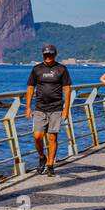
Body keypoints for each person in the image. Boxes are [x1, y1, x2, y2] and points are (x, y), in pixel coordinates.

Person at [25, 44, 71, 176]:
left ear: (55, 54)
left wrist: (66, 109)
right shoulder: (37, 69)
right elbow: (30, 88)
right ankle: (42, 157)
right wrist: (28, 107)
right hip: (40, 107)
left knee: (52, 137)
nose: (48, 57)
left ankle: (50, 165)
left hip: (56, 108)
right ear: (42, 55)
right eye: (46, 54)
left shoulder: (61, 69)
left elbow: (67, 90)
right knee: (37, 135)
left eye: (50, 54)